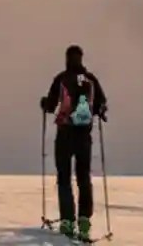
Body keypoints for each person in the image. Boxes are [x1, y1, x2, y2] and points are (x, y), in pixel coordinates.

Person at [40, 44, 107, 242]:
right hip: (84, 136)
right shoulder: (91, 80)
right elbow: (100, 105)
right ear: (81, 58)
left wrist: (44, 104)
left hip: (65, 135)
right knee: (84, 177)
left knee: (64, 177)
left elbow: (51, 105)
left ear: (67, 58)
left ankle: (68, 221)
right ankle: (84, 220)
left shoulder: (61, 78)